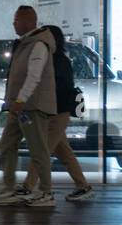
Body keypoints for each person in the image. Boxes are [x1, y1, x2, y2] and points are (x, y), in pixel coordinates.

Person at [0, 5, 58, 208]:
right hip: (20, 108)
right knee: (7, 144)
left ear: (28, 22)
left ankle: (46, 192)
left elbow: (34, 76)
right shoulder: (25, 44)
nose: (14, 23)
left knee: (39, 150)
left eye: (17, 19)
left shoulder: (38, 44)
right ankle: (9, 188)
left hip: (32, 107)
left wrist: (20, 100)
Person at [20, 25, 94, 202]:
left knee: (42, 150)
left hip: (57, 113)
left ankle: (27, 187)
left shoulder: (56, 61)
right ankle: (83, 186)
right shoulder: (58, 59)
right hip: (56, 112)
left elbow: (57, 88)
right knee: (63, 152)